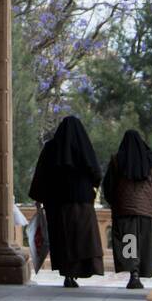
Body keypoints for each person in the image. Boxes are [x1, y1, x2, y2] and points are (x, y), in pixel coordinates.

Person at [29, 116, 104, 287]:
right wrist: (91, 187)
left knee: (63, 238)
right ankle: (77, 271)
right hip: (81, 201)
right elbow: (96, 173)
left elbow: (41, 175)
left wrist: (39, 198)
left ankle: (68, 274)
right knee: (80, 237)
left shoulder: (50, 148)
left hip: (57, 203)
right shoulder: (83, 147)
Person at [102, 128, 152, 289]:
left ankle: (133, 274)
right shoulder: (150, 161)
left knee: (129, 242)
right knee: (144, 243)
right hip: (146, 211)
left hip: (125, 210)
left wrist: (115, 202)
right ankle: (139, 273)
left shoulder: (117, 160)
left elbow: (108, 186)